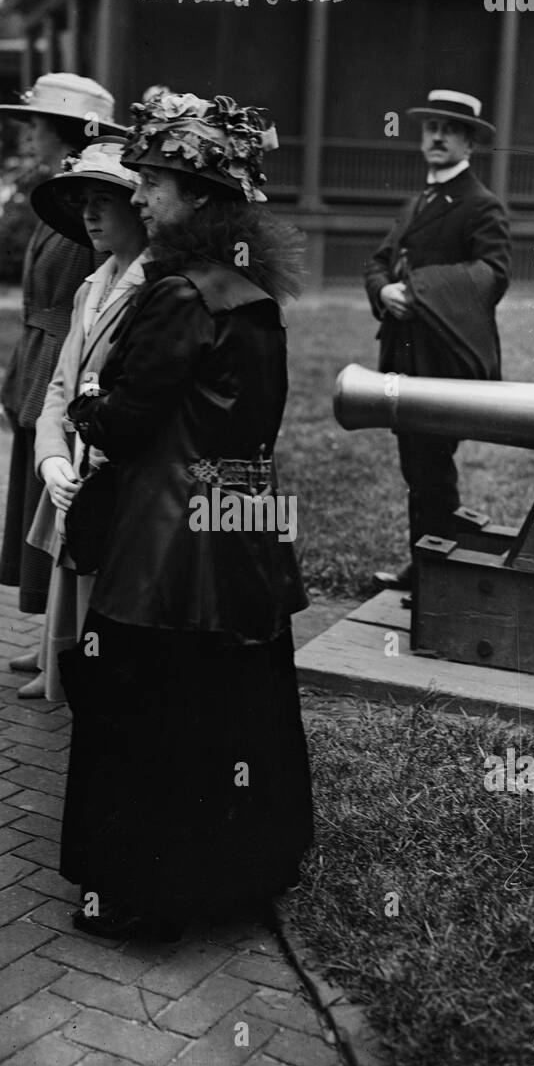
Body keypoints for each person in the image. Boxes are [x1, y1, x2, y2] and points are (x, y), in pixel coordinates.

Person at [56, 89, 314, 941]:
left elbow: (126, 420)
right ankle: (241, 873)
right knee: (237, 700)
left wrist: (88, 404)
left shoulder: (174, 296)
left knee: (150, 707)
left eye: (154, 181)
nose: (136, 195)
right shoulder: (252, 296)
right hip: (240, 523)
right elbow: (259, 422)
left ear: (200, 195)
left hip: (166, 540)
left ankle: (145, 893)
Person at [0, 74, 127, 676]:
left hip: (70, 359)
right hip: (43, 355)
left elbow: (101, 294)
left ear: (68, 130)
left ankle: (62, 648)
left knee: (61, 500)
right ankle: (50, 638)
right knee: (39, 495)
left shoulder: (93, 192)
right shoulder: (62, 193)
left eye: (37, 124)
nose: (30, 135)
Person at [364, 89, 512, 592]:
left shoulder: (480, 204)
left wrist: (419, 292)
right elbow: (379, 261)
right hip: (405, 353)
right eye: (430, 128)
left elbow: (493, 274)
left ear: (469, 142)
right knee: (416, 463)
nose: (437, 137)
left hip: (446, 356)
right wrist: (386, 291)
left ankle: (436, 574)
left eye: (449, 130)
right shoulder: (417, 201)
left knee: (431, 464)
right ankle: (426, 564)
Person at [21, 144, 148, 700]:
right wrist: (49, 456)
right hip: (74, 464)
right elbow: (59, 387)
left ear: (138, 206)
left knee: (106, 591)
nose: (89, 215)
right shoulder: (89, 287)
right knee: (72, 578)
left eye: (104, 201)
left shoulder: (155, 288)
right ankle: (63, 669)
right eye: (83, 203)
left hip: (114, 468)